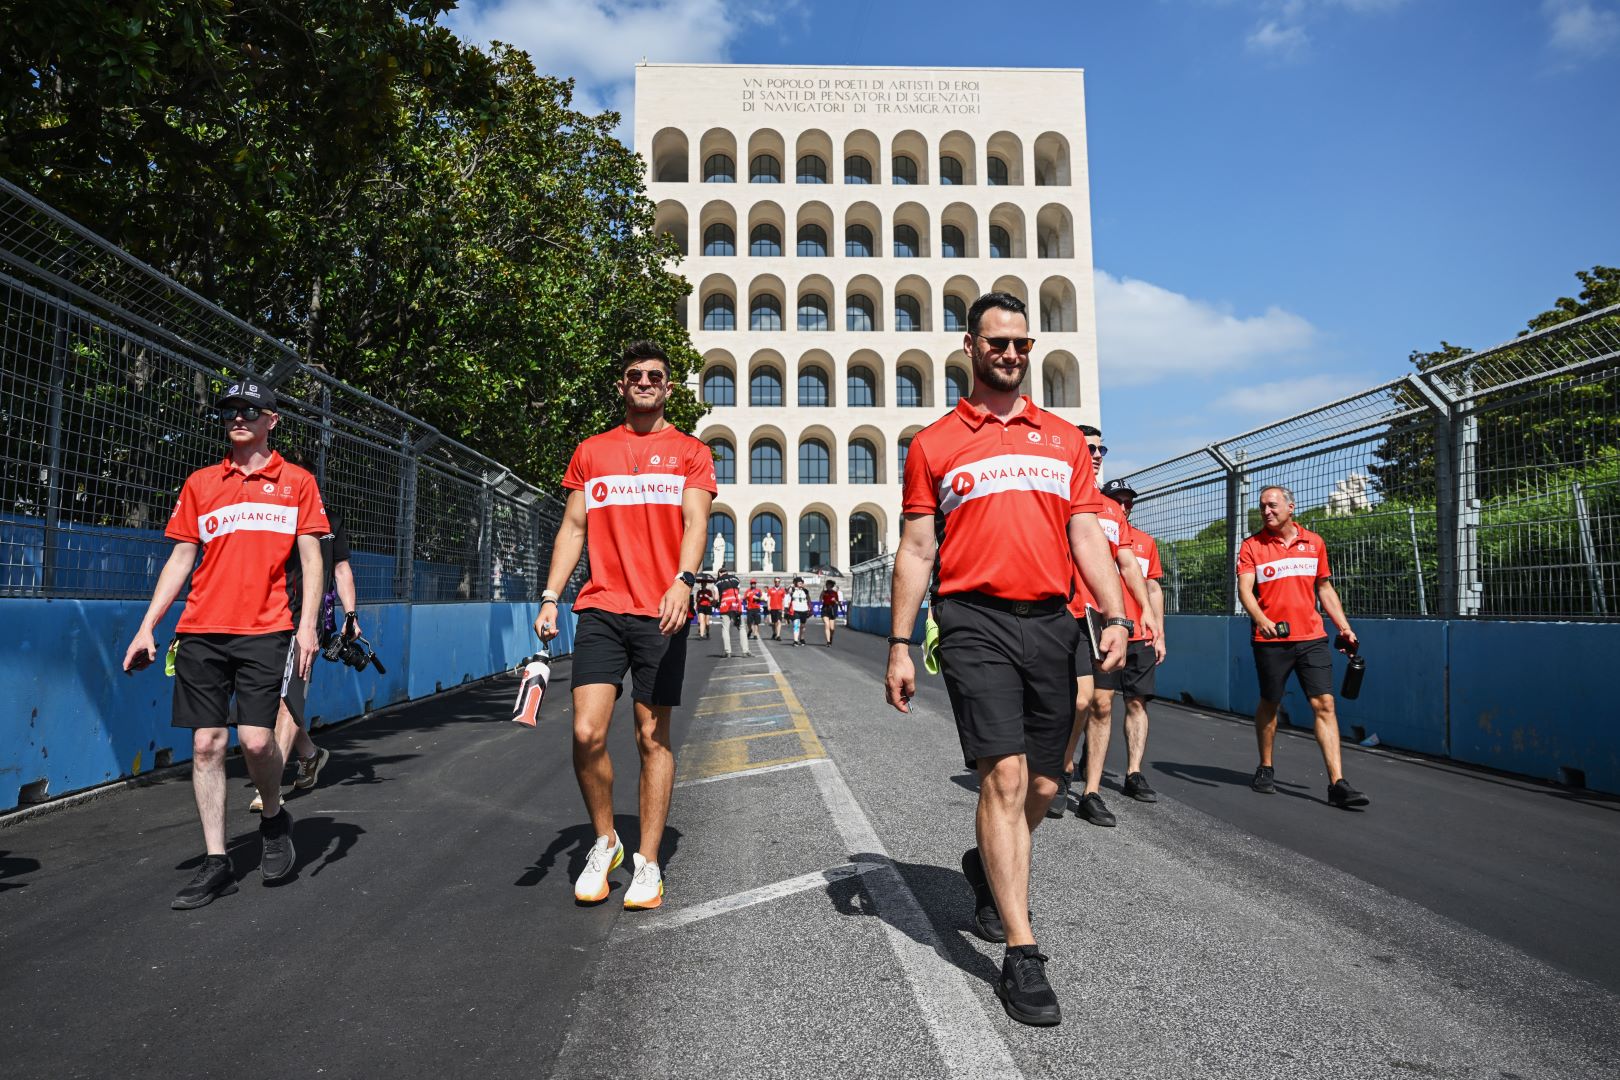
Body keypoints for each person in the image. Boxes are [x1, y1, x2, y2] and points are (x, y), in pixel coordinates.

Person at [885, 292, 1129, 1027]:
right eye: (998, 342)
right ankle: (1022, 954)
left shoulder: (1061, 440)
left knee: (1047, 785)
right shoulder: (933, 444)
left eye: (1022, 343)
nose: (1012, 354)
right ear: (971, 346)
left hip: (1054, 623)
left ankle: (987, 875)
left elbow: (1087, 536)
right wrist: (899, 643)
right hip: (974, 619)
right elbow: (917, 549)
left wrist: (1114, 613)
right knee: (1006, 772)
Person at [122, 379, 328, 909]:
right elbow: (180, 560)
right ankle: (217, 862)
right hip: (201, 630)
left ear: (271, 420)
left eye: (250, 409)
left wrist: (308, 627)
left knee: (258, 743)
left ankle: (274, 817)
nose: (239, 417)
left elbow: (311, 560)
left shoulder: (297, 482)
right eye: (230, 410)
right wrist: (149, 625)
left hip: (267, 629)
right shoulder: (201, 483)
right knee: (206, 744)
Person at [536, 341, 716, 909]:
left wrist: (683, 581)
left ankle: (648, 862)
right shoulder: (591, 452)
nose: (643, 382)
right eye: (634, 375)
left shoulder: (690, 451)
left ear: (668, 388)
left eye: (654, 376)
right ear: (621, 385)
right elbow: (571, 529)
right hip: (601, 608)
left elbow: (696, 521)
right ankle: (606, 840)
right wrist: (550, 595)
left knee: (650, 736)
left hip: (661, 612)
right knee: (586, 733)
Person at [239, 448, 357, 812]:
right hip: (263, 618)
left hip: (308, 621)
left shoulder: (330, 520)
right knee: (274, 699)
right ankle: (309, 754)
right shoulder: (265, 515)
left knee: (290, 699)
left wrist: (351, 616)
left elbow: (341, 570)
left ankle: (269, 785)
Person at [1237, 484, 1368, 809]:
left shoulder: (1314, 543)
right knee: (1270, 703)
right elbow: (1245, 591)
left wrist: (1344, 626)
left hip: (1312, 639)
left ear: (1290, 507)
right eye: (1262, 507)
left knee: (1325, 704)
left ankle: (1337, 782)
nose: (1266, 511)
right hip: (1271, 641)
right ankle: (1265, 767)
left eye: (1272, 505)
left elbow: (1324, 587)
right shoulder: (1252, 545)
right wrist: (1260, 620)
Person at [1068, 437, 1158, 828]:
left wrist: (1148, 613)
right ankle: (1059, 767)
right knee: (1076, 701)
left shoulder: (1112, 511)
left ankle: (1091, 792)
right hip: (1061, 614)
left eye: (1100, 449)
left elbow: (1127, 564)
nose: (1096, 455)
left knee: (1101, 704)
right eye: (1088, 448)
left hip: (1103, 619)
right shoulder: (1059, 495)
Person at [1086, 479, 1167, 812]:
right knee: (1099, 704)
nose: (1124, 506)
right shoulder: (1094, 534)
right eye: (1117, 500)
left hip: (1140, 634)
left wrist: (1159, 630)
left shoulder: (1146, 543)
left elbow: (1153, 589)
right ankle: (1074, 769)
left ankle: (1133, 773)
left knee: (1138, 703)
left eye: (1128, 501)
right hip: (1106, 628)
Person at [715, 567, 748, 658]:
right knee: (741, 627)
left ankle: (728, 651)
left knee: (725, 628)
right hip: (736, 605)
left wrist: (715, 604)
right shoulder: (735, 579)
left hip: (725, 605)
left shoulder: (717, 582)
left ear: (720, 573)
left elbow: (715, 597)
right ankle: (745, 651)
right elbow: (739, 593)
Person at [788, 577, 812, 646]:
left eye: (801, 582)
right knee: (796, 625)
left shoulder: (805, 591)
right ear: (795, 583)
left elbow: (808, 599)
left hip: (804, 610)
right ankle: (795, 640)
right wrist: (791, 586)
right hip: (796, 610)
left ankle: (802, 638)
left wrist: (810, 607)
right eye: (799, 582)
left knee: (803, 626)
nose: (800, 583)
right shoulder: (792, 590)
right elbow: (787, 591)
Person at [819, 578, 842, 646]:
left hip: (832, 610)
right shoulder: (824, 592)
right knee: (827, 625)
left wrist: (835, 601)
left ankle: (830, 637)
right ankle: (828, 642)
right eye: (826, 585)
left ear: (831, 586)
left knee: (832, 628)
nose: (827, 586)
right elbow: (820, 600)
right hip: (825, 609)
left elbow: (838, 603)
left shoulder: (835, 593)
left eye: (829, 585)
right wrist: (821, 594)